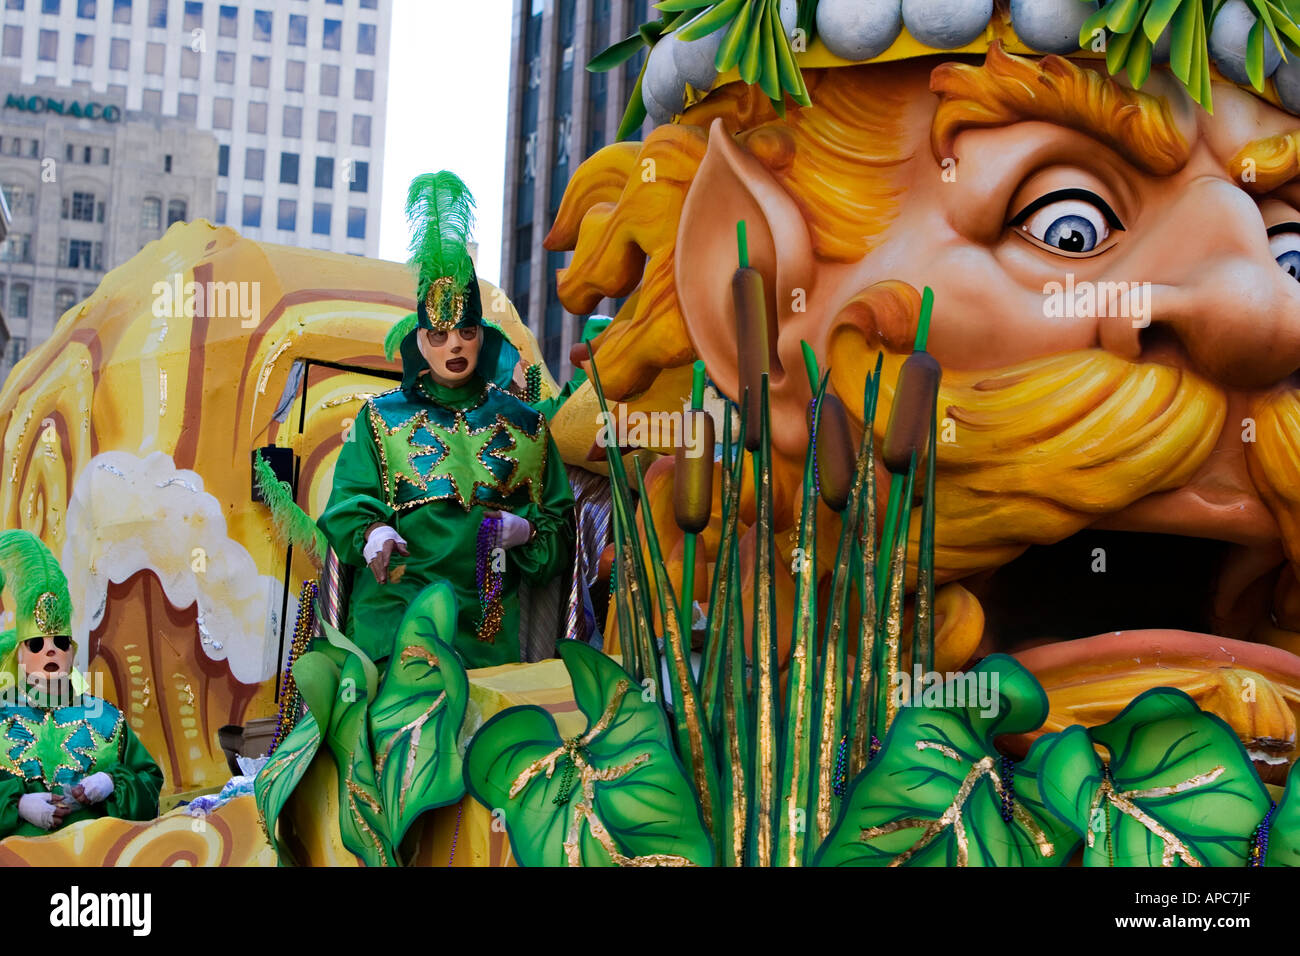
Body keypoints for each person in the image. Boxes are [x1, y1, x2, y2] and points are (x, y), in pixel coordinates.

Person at [319, 171, 575, 669]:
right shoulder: (380, 418)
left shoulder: (526, 426)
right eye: (438, 334)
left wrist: (526, 532)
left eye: (465, 330)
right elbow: (346, 505)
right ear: (419, 342)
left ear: (484, 335)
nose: (454, 344)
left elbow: (560, 533)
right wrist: (373, 534)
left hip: (487, 628)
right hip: (395, 619)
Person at [0, 531, 162, 838]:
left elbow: (149, 782)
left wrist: (111, 783)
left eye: (60, 643)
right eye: (36, 644)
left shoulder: (107, 720)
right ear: (20, 656)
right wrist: (18, 804)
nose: (50, 651)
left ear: (72, 653)